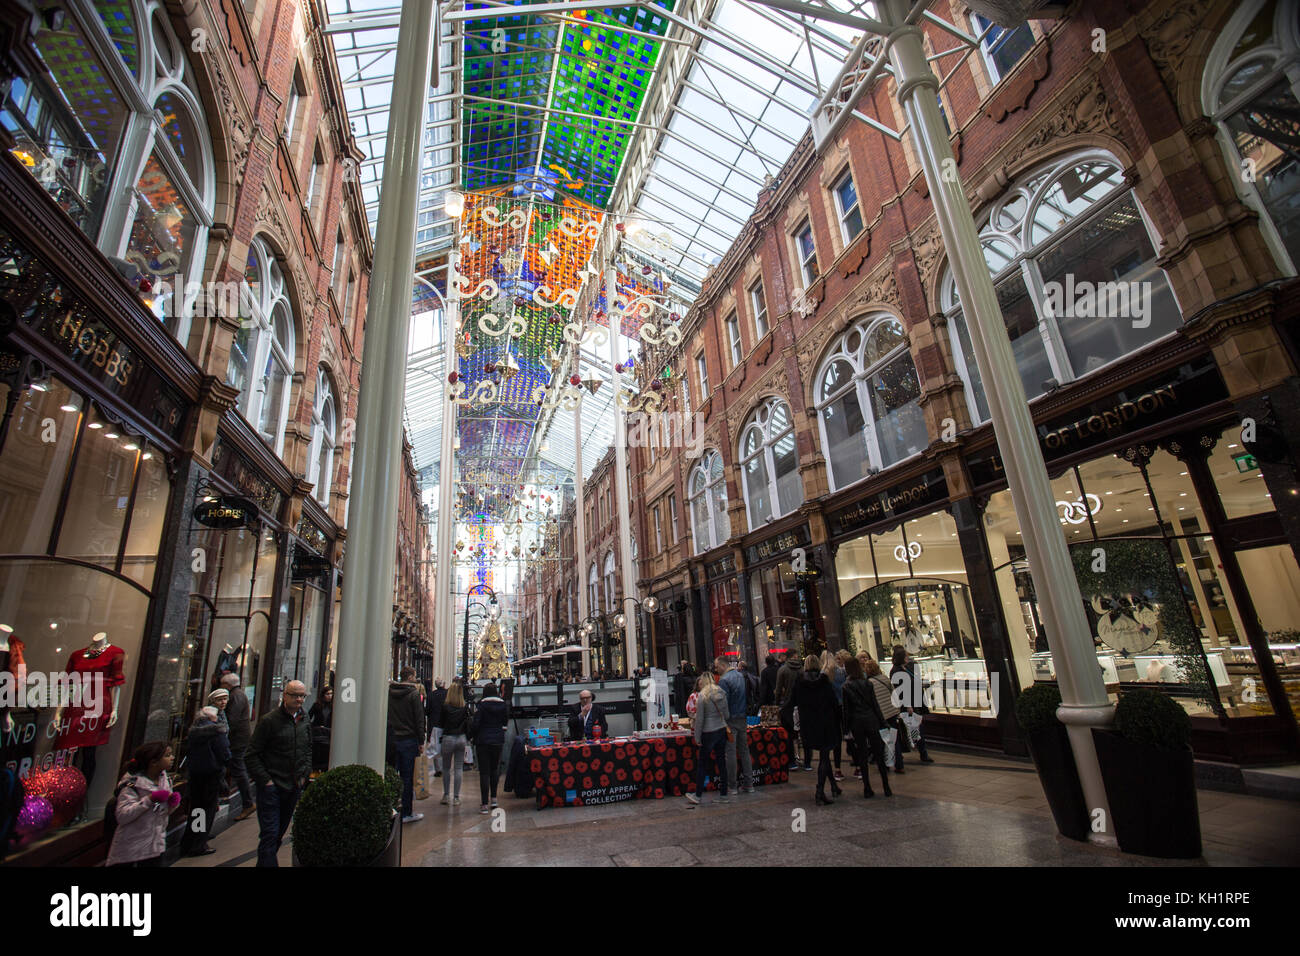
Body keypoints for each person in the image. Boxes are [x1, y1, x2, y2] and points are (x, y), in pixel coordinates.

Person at [245, 681, 312, 867]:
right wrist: (266, 781)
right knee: (270, 833)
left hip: (293, 786)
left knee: (278, 833)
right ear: (285, 695)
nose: (299, 699)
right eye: (294, 695)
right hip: (271, 787)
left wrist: (303, 774)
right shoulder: (269, 721)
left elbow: (308, 748)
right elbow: (251, 755)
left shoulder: (304, 719)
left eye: (302, 696)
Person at [106, 742, 178, 867]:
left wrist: (172, 804)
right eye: (168, 755)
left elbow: (163, 813)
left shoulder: (165, 780)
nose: (172, 758)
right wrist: (149, 800)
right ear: (153, 762)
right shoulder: (132, 785)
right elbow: (123, 816)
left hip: (156, 845)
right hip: (131, 848)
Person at [179, 706, 230, 856]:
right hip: (211, 775)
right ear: (212, 718)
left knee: (197, 809)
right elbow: (225, 753)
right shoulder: (216, 732)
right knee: (206, 809)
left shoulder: (194, 731)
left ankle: (190, 841)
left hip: (195, 775)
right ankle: (198, 843)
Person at [790, 655, 841, 805]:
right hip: (825, 722)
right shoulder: (824, 681)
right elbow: (833, 702)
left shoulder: (799, 682)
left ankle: (833, 786)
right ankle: (819, 791)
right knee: (825, 756)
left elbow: (793, 701)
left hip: (808, 724)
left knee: (824, 757)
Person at [842, 656, 892, 797]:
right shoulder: (867, 683)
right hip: (871, 720)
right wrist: (882, 721)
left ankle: (867, 787)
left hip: (857, 723)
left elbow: (846, 710)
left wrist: (845, 729)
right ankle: (886, 786)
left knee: (862, 755)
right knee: (878, 754)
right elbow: (875, 704)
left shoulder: (846, 686)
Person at [388, 667, 427, 824]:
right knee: (407, 777)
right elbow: (419, 719)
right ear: (410, 677)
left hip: (391, 738)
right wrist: (421, 740)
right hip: (408, 740)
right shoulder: (413, 694)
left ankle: (390, 808)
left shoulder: (389, 693)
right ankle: (406, 812)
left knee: (391, 773)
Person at [686, 670, 729, 807]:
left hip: (708, 731)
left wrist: (697, 737)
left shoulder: (702, 696)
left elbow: (699, 719)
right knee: (721, 761)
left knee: (702, 763)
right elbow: (727, 714)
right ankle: (723, 794)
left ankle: (697, 795)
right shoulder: (721, 692)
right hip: (721, 729)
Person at [890, 646, 934, 766]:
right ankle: (919, 751)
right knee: (914, 728)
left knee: (916, 728)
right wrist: (908, 705)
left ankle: (920, 750)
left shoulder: (905, 668)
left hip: (915, 702)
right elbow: (900, 690)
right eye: (906, 656)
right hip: (908, 705)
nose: (908, 658)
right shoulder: (897, 671)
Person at [716, 657, 753, 795]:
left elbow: (723, 702)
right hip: (742, 717)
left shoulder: (724, 680)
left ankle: (732, 785)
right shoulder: (740, 676)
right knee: (744, 750)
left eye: (717, 666)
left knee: (730, 752)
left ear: (722, 665)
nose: (716, 669)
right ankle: (749, 783)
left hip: (730, 719)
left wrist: (722, 719)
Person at [220, 673, 255, 821]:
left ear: (227, 685)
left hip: (237, 740)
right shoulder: (239, 695)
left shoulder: (235, 696)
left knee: (239, 769)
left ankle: (247, 803)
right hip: (240, 739)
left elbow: (231, 720)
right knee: (237, 768)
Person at [471, 682, 509, 813]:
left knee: (484, 772)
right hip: (497, 740)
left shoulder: (481, 705)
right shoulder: (503, 704)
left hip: (483, 740)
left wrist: (473, 735)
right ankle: (494, 799)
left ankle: (484, 804)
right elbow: (505, 722)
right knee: (494, 770)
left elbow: (476, 724)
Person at [865, 660, 904, 774]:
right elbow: (894, 694)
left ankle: (885, 764)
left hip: (880, 715)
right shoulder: (885, 678)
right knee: (894, 740)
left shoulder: (868, 683)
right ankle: (899, 765)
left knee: (882, 741)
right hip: (892, 712)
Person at [774, 652, 807, 770]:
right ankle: (807, 762)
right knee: (802, 733)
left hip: (788, 704)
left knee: (788, 734)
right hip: (801, 704)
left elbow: (778, 689)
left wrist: (776, 703)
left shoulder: (783, 670)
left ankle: (792, 761)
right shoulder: (802, 670)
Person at [439, 681, 470, 806]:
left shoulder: (445, 707)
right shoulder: (464, 707)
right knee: (458, 768)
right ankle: (456, 797)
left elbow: (440, 724)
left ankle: (446, 795)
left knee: (446, 768)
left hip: (448, 738)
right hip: (461, 738)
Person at [823, 651, 846, 781]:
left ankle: (837, 769)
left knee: (835, 737)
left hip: (831, 709)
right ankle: (858, 767)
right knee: (848, 735)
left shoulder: (823, 675)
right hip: (843, 706)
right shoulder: (841, 672)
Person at [427, 678, 448, 776]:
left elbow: (427, 710)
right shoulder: (447, 694)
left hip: (435, 724)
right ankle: (445, 767)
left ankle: (438, 769)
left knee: (436, 746)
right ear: (443, 684)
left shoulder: (431, 695)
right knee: (445, 746)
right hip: (446, 724)